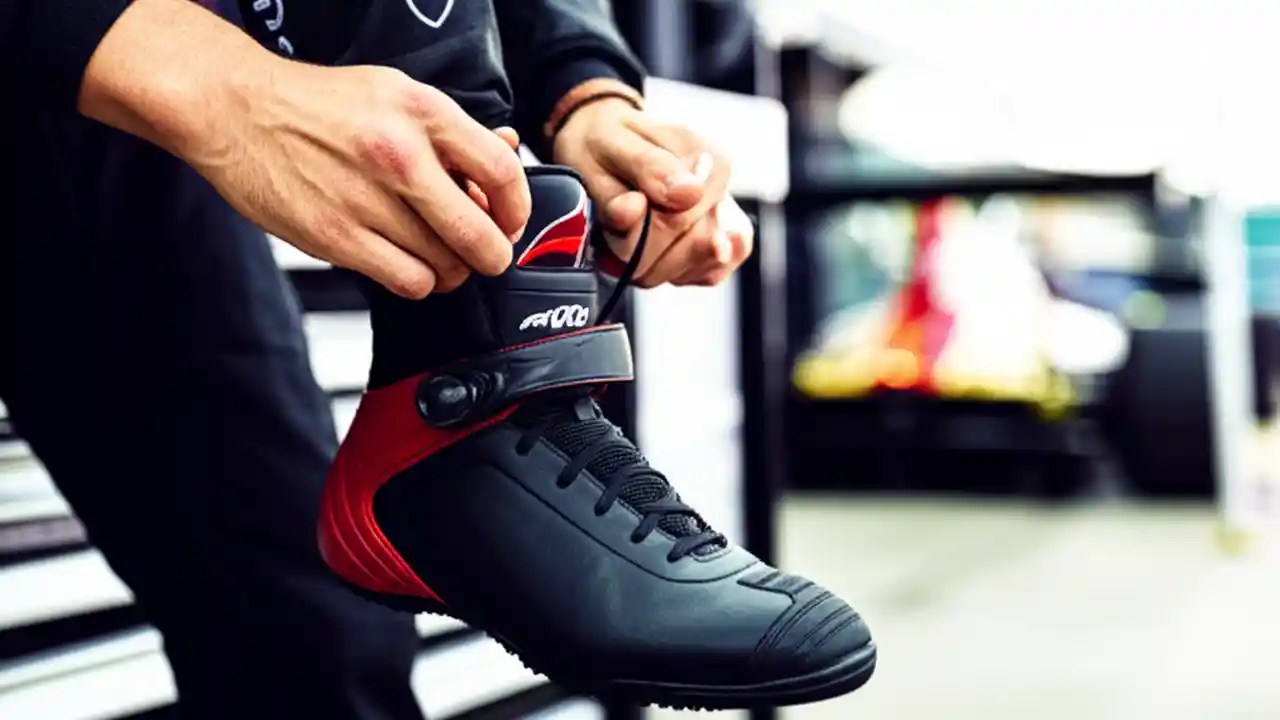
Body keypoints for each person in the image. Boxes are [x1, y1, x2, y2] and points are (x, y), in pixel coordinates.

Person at [0, 0, 875, 716]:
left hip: (86, 124)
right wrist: (224, 88)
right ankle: (469, 398)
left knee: (309, 643)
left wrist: (584, 91)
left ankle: (460, 420)